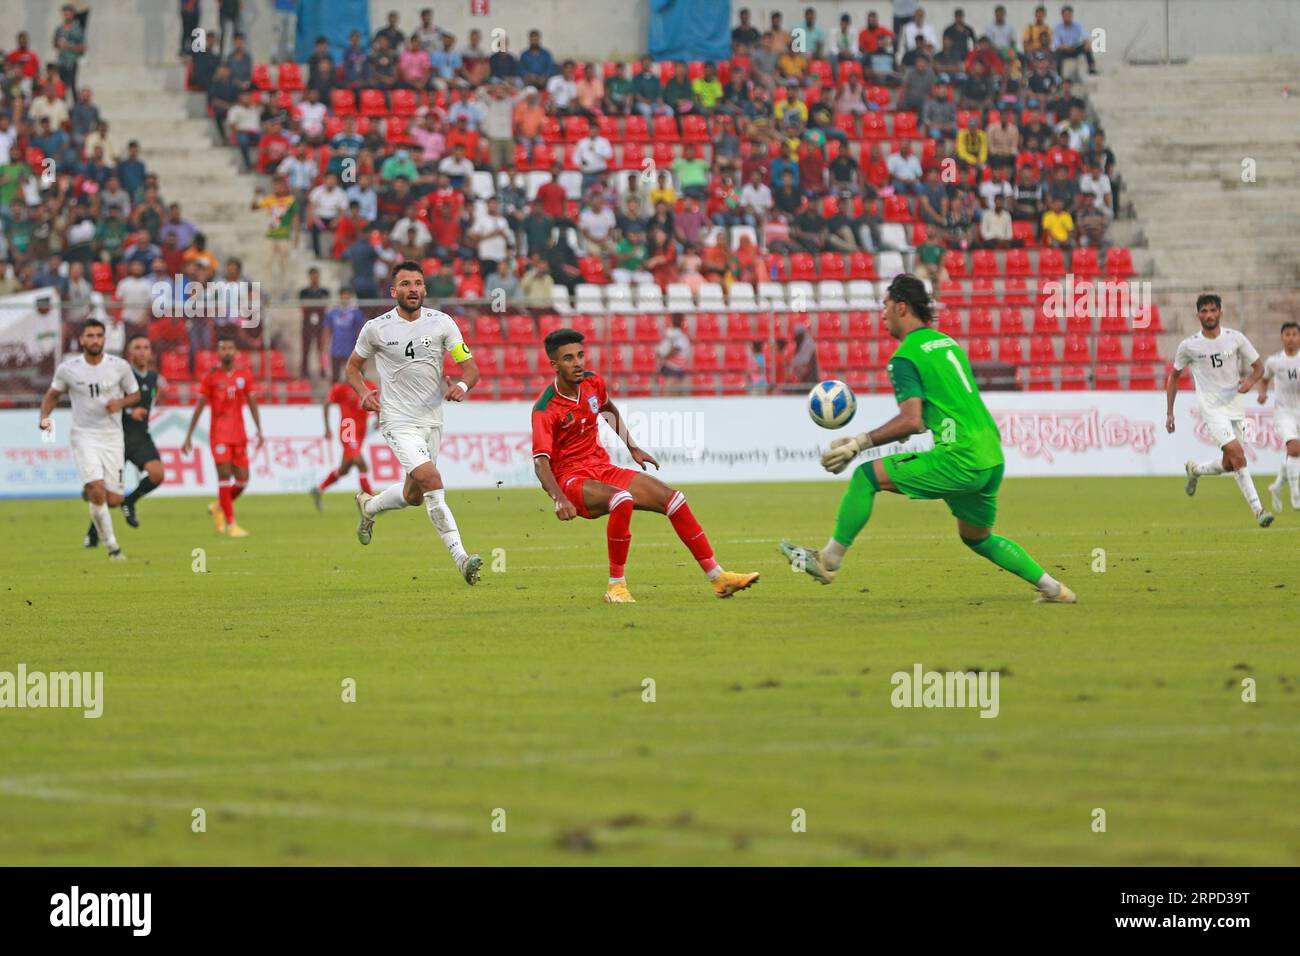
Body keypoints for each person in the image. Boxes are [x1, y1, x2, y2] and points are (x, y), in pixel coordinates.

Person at [781, 274, 1077, 603]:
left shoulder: (905, 356)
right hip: (990, 456)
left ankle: (829, 560)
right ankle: (1054, 589)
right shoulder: (946, 343)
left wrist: (858, 443)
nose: (883, 313)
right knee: (977, 538)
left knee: (866, 476)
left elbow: (911, 419)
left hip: (959, 458)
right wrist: (912, 428)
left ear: (902, 307)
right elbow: (935, 411)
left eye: (886, 305)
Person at [531, 328, 760, 603]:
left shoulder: (593, 383)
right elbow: (541, 463)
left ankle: (718, 578)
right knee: (622, 499)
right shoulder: (546, 408)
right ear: (554, 365)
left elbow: (607, 410)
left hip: (601, 467)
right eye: (569, 358)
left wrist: (633, 447)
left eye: (580, 355)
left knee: (674, 499)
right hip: (571, 481)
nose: (578, 362)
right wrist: (559, 498)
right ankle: (616, 586)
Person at [348, 261, 484, 585]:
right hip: (396, 419)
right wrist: (363, 392)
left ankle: (369, 507)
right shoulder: (376, 328)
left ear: (425, 288)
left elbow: (471, 370)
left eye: (418, 283)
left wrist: (461, 386)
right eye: (406, 284)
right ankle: (462, 558)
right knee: (431, 479)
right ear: (394, 291)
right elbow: (353, 367)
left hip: (432, 419)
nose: (413, 289)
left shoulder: (443, 323)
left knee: (413, 494)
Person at [39, 319, 141, 559]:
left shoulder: (119, 366)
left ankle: (91, 490)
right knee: (98, 490)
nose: (94, 340)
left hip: (112, 436)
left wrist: (121, 403)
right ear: (82, 339)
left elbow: (135, 394)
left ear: (104, 339)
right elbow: (53, 394)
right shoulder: (68, 368)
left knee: (114, 499)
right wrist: (44, 417)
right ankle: (113, 547)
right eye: (90, 336)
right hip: (83, 435)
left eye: (99, 335)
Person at [1170, 293, 1271, 527]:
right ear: (1197, 315)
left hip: (1234, 407)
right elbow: (1173, 377)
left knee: (1229, 463)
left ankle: (1195, 469)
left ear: (1220, 313)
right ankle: (1259, 510)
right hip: (1211, 408)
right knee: (1238, 455)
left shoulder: (1236, 339)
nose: (1209, 315)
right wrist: (1169, 412)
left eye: (1212, 310)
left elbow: (1258, 368)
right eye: (1204, 311)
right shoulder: (1189, 345)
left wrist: (1249, 382)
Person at [182, 332, 264, 537]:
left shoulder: (244, 375)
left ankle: (218, 506)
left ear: (235, 352)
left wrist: (259, 429)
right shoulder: (210, 377)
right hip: (219, 435)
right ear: (218, 352)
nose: (227, 352)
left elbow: (252, 404)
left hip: (240, 434)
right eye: (223, 348)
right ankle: (231, 524)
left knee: (243, 481)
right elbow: (199, 407)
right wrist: (189, 435)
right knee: (224, 478)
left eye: (230, 348)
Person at [311, 375, 378, 510]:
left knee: (344, 470)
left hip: (360, 433)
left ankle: (319, 489)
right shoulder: (341, 388)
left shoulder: (370, 386)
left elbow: (376, 403)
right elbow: (327, 403)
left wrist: (378, 417)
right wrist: (327, 428)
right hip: (348, 430)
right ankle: (371, 502)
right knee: (361, 464)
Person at [1258, 321, 1300, 513]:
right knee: (1294, 448)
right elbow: (1265, 379)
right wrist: (1262, 393)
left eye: (1294, 334)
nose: (1291, 338)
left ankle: (1276, 487)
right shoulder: (1274, 361)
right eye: (1287, 335)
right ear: (1282, 338)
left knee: (1293, 454)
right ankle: (1295, 495)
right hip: (1284, 412)